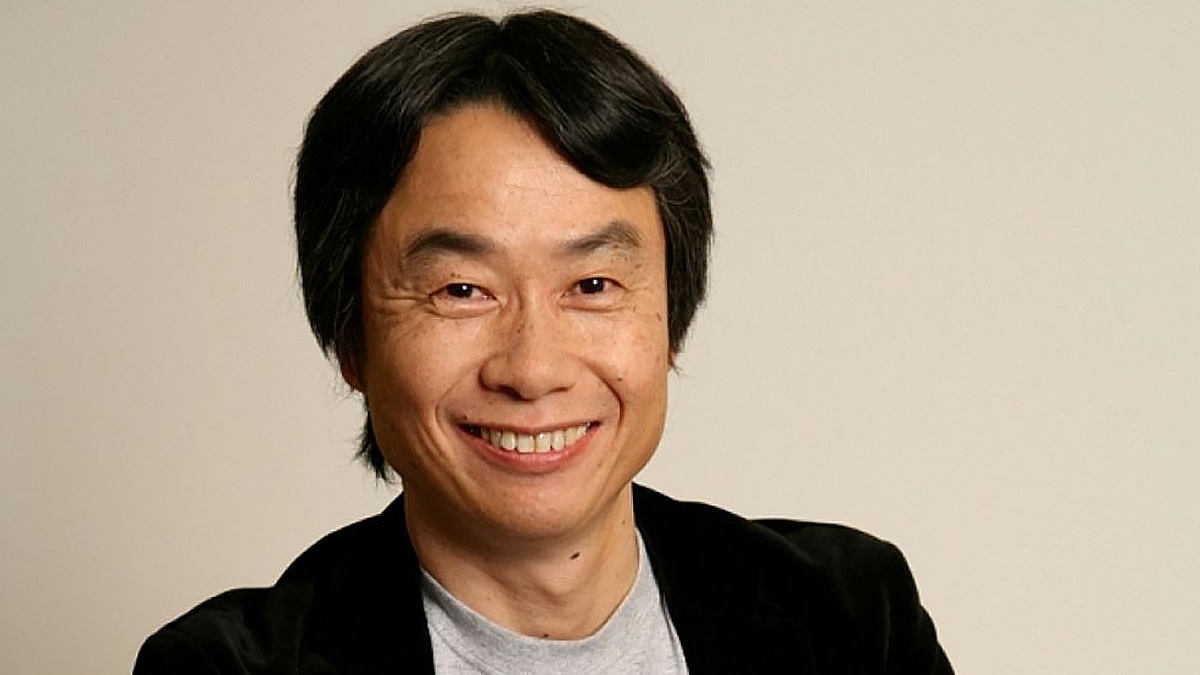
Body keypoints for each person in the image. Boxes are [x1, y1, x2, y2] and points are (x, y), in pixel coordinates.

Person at [135, 9, 953, 674]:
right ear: (351, 339)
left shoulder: (850, 618)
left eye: (592, 285)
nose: (533, 369)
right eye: (462, 290)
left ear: (669, 314)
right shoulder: (224, 667)